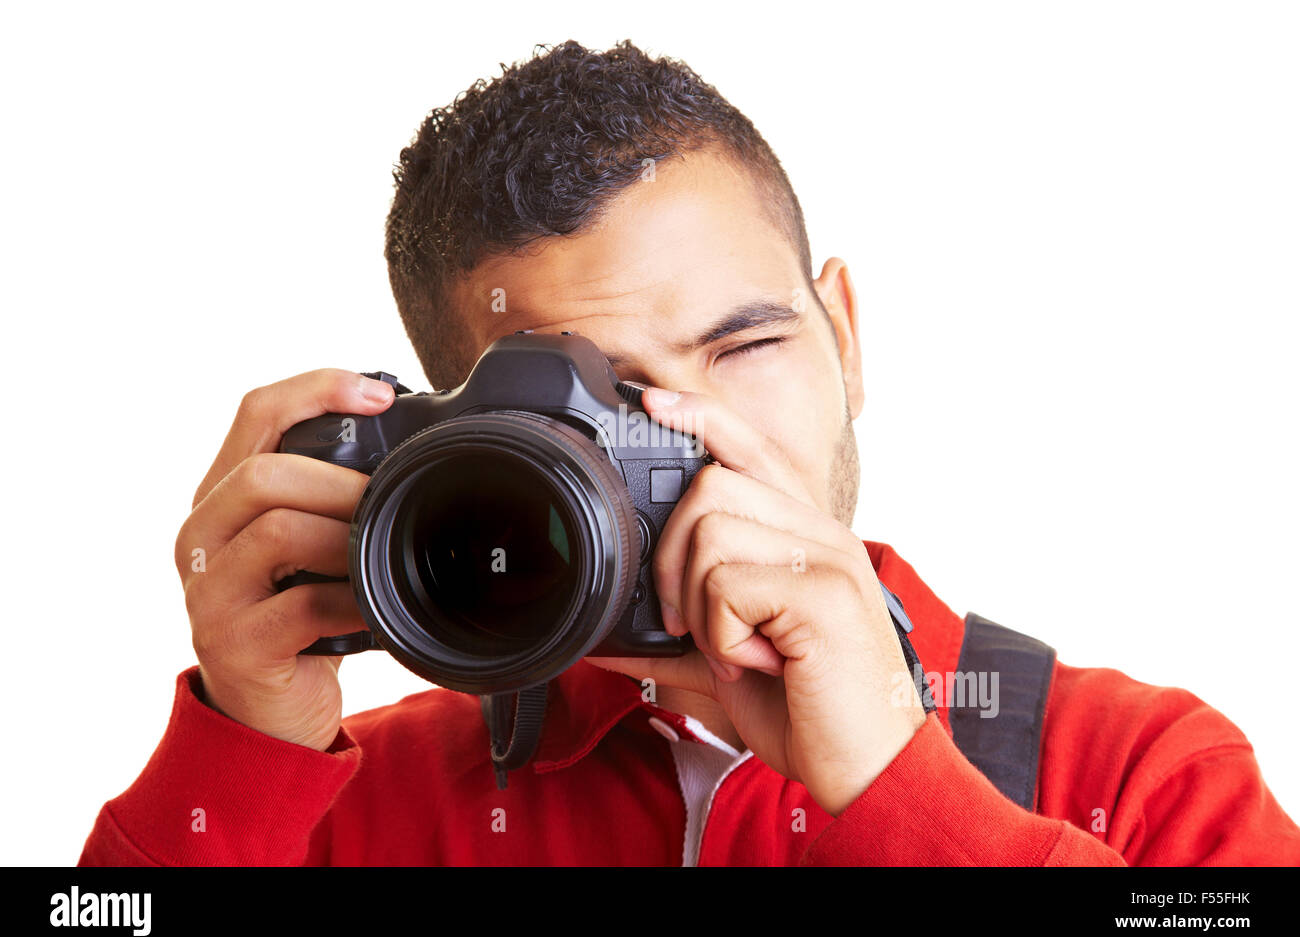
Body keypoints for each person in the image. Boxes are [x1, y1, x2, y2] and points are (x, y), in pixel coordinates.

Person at [79, 39, 1299, 866]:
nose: (694, 438)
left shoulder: (1144, 773)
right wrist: (237, 751)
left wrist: (899, 785)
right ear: (459, 438)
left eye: (744, 345)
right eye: (598, 404)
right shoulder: (349, 802)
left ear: (846, 337)